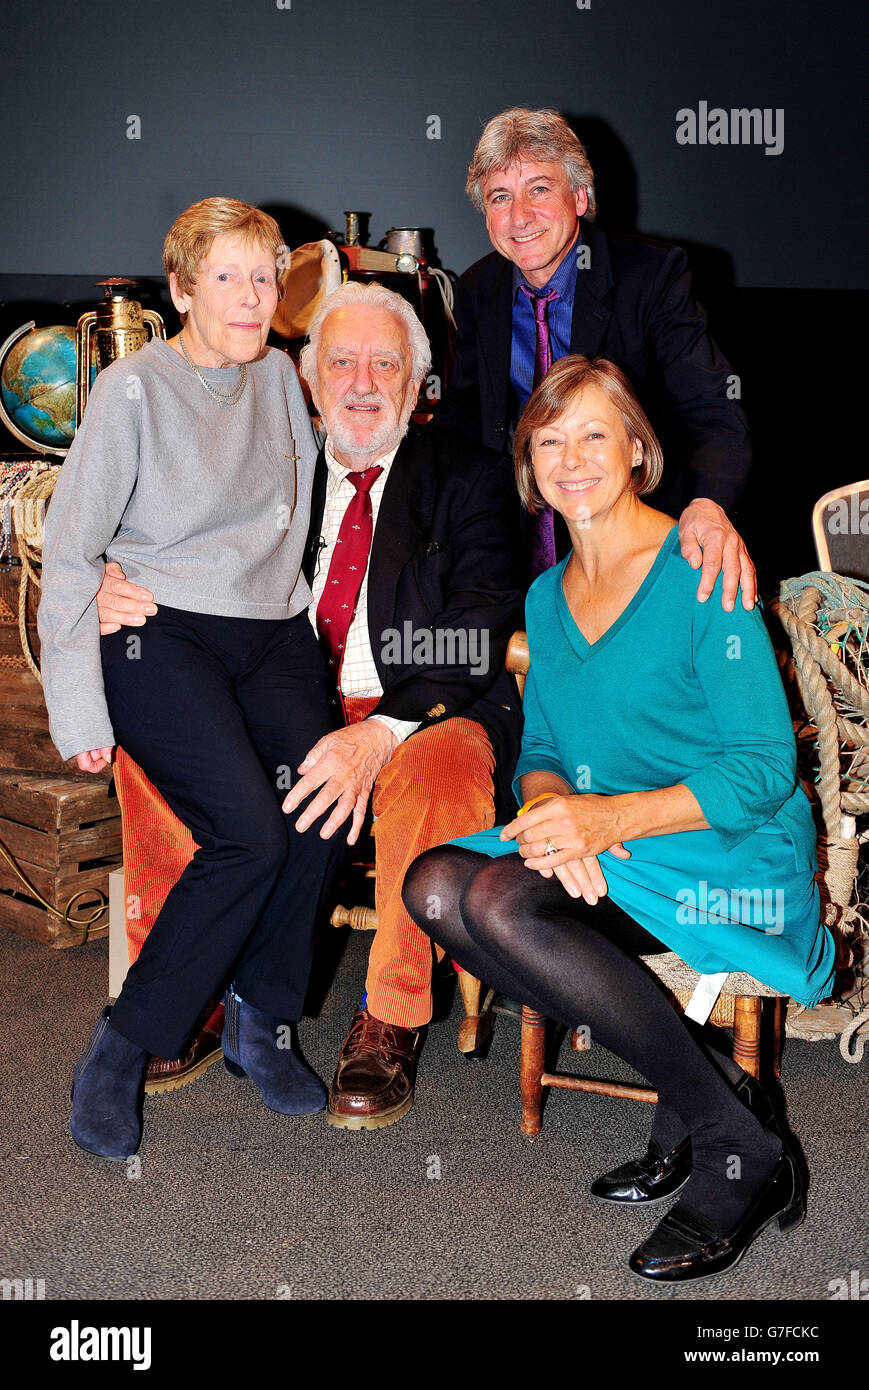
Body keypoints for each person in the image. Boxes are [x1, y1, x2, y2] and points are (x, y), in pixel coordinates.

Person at [403, 354, 835, 1282]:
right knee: (436, 887)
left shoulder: (699, 567)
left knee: (502, 907)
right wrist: (558, 809)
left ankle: (731, 1145)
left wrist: (608, 823)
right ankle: (717, 1091)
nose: (570, 457)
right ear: (527, 466)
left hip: (725, 847)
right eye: (547, 440)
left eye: (594, 433)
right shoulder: (544, 598)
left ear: (638, 450)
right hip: (616, 839)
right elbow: (543, 748)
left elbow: (765, 768)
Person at [94, 280, 525, 1131]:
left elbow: (479, 624)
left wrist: (380, 733)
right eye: (341, 362)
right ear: (305, 378)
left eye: (385, 364)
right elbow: (160, 541)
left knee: (436, 773)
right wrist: (111, 577)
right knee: (148, 754)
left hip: (418, 705)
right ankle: (188, 988)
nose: (362, 382)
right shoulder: (259, 464)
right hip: (271, 691)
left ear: (416, 384)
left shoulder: (468, 475)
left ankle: (390, 1019)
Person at [37, 197, 347, 1160]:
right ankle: (125, 1044)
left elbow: (292, 522)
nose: (253, 298)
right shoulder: (132, 388)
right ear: (180, 290)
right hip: (158, 632)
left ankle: (264, 1021)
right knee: (248, 833)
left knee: (327, 801)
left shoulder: (281, 384)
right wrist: (77, 702)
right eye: (227, 278)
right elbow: (71, 546)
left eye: (264, 277)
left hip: (269, 632)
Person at [438, 106, 756, 601]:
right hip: (514, 549)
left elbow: (713, 411)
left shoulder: (652, 277)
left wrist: (708, 505)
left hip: (641, 538)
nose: (519, 216)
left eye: (539, 189)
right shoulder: (480, 287)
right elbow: (464, 422)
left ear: (580, 197)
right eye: (500, 197)